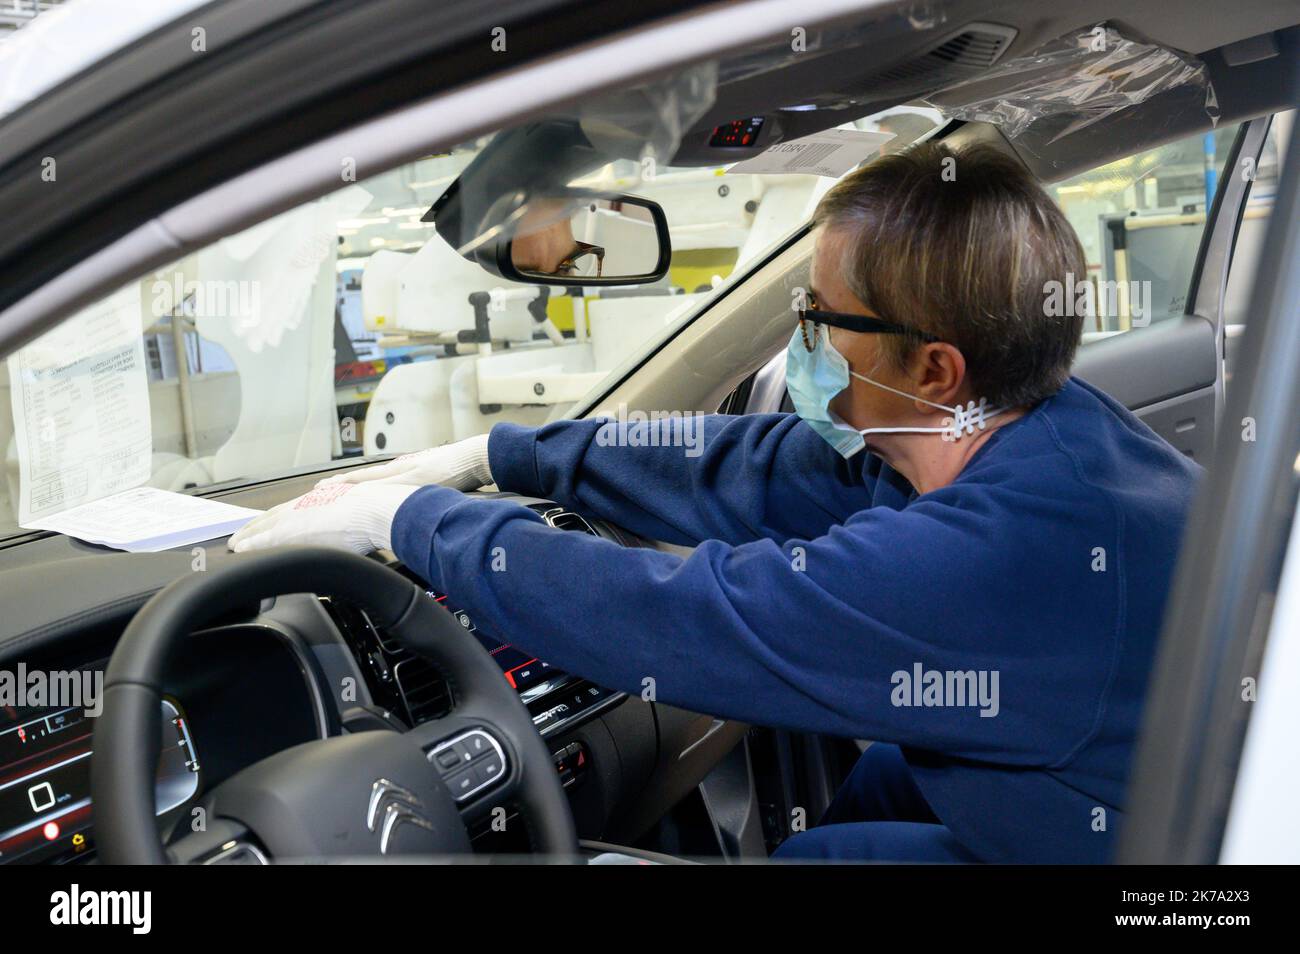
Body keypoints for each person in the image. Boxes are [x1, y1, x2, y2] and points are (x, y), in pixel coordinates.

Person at [230, 142, 1201, 863]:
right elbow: (751, 462)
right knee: (878, 782)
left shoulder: (991, 557)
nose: (804, 343)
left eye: (823, 321)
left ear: (934, 368)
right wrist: (487, 454)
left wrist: (401, 525)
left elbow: (678, 617)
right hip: (1153, 808)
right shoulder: (1034, 424)